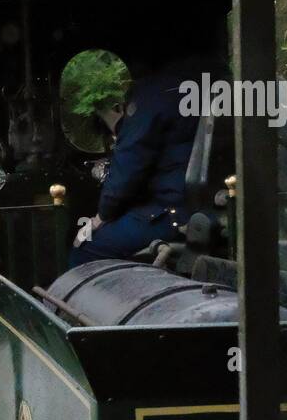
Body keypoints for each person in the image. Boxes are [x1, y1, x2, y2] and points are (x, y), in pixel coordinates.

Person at [69, 58, 207, 267]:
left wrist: (100, 216)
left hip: (173, 213)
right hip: (209, 208)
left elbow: (129, 168)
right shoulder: (213, 82)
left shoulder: (154, 92)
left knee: (87, 247)